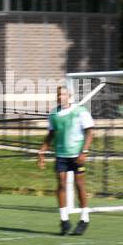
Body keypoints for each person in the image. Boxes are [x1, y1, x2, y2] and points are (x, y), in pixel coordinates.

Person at [37, 85, 94, 235]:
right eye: (58, 95)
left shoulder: (80, 111)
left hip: (77, 155)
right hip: (61, 155)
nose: (60, 97)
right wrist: (42, 151)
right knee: (61, 184)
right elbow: (50, 134)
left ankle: (84, 219)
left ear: (69, 96)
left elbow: (90, 133)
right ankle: (64, 221)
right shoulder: (53, 114)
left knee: (79, 185)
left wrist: (84, 152)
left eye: (63, 94)